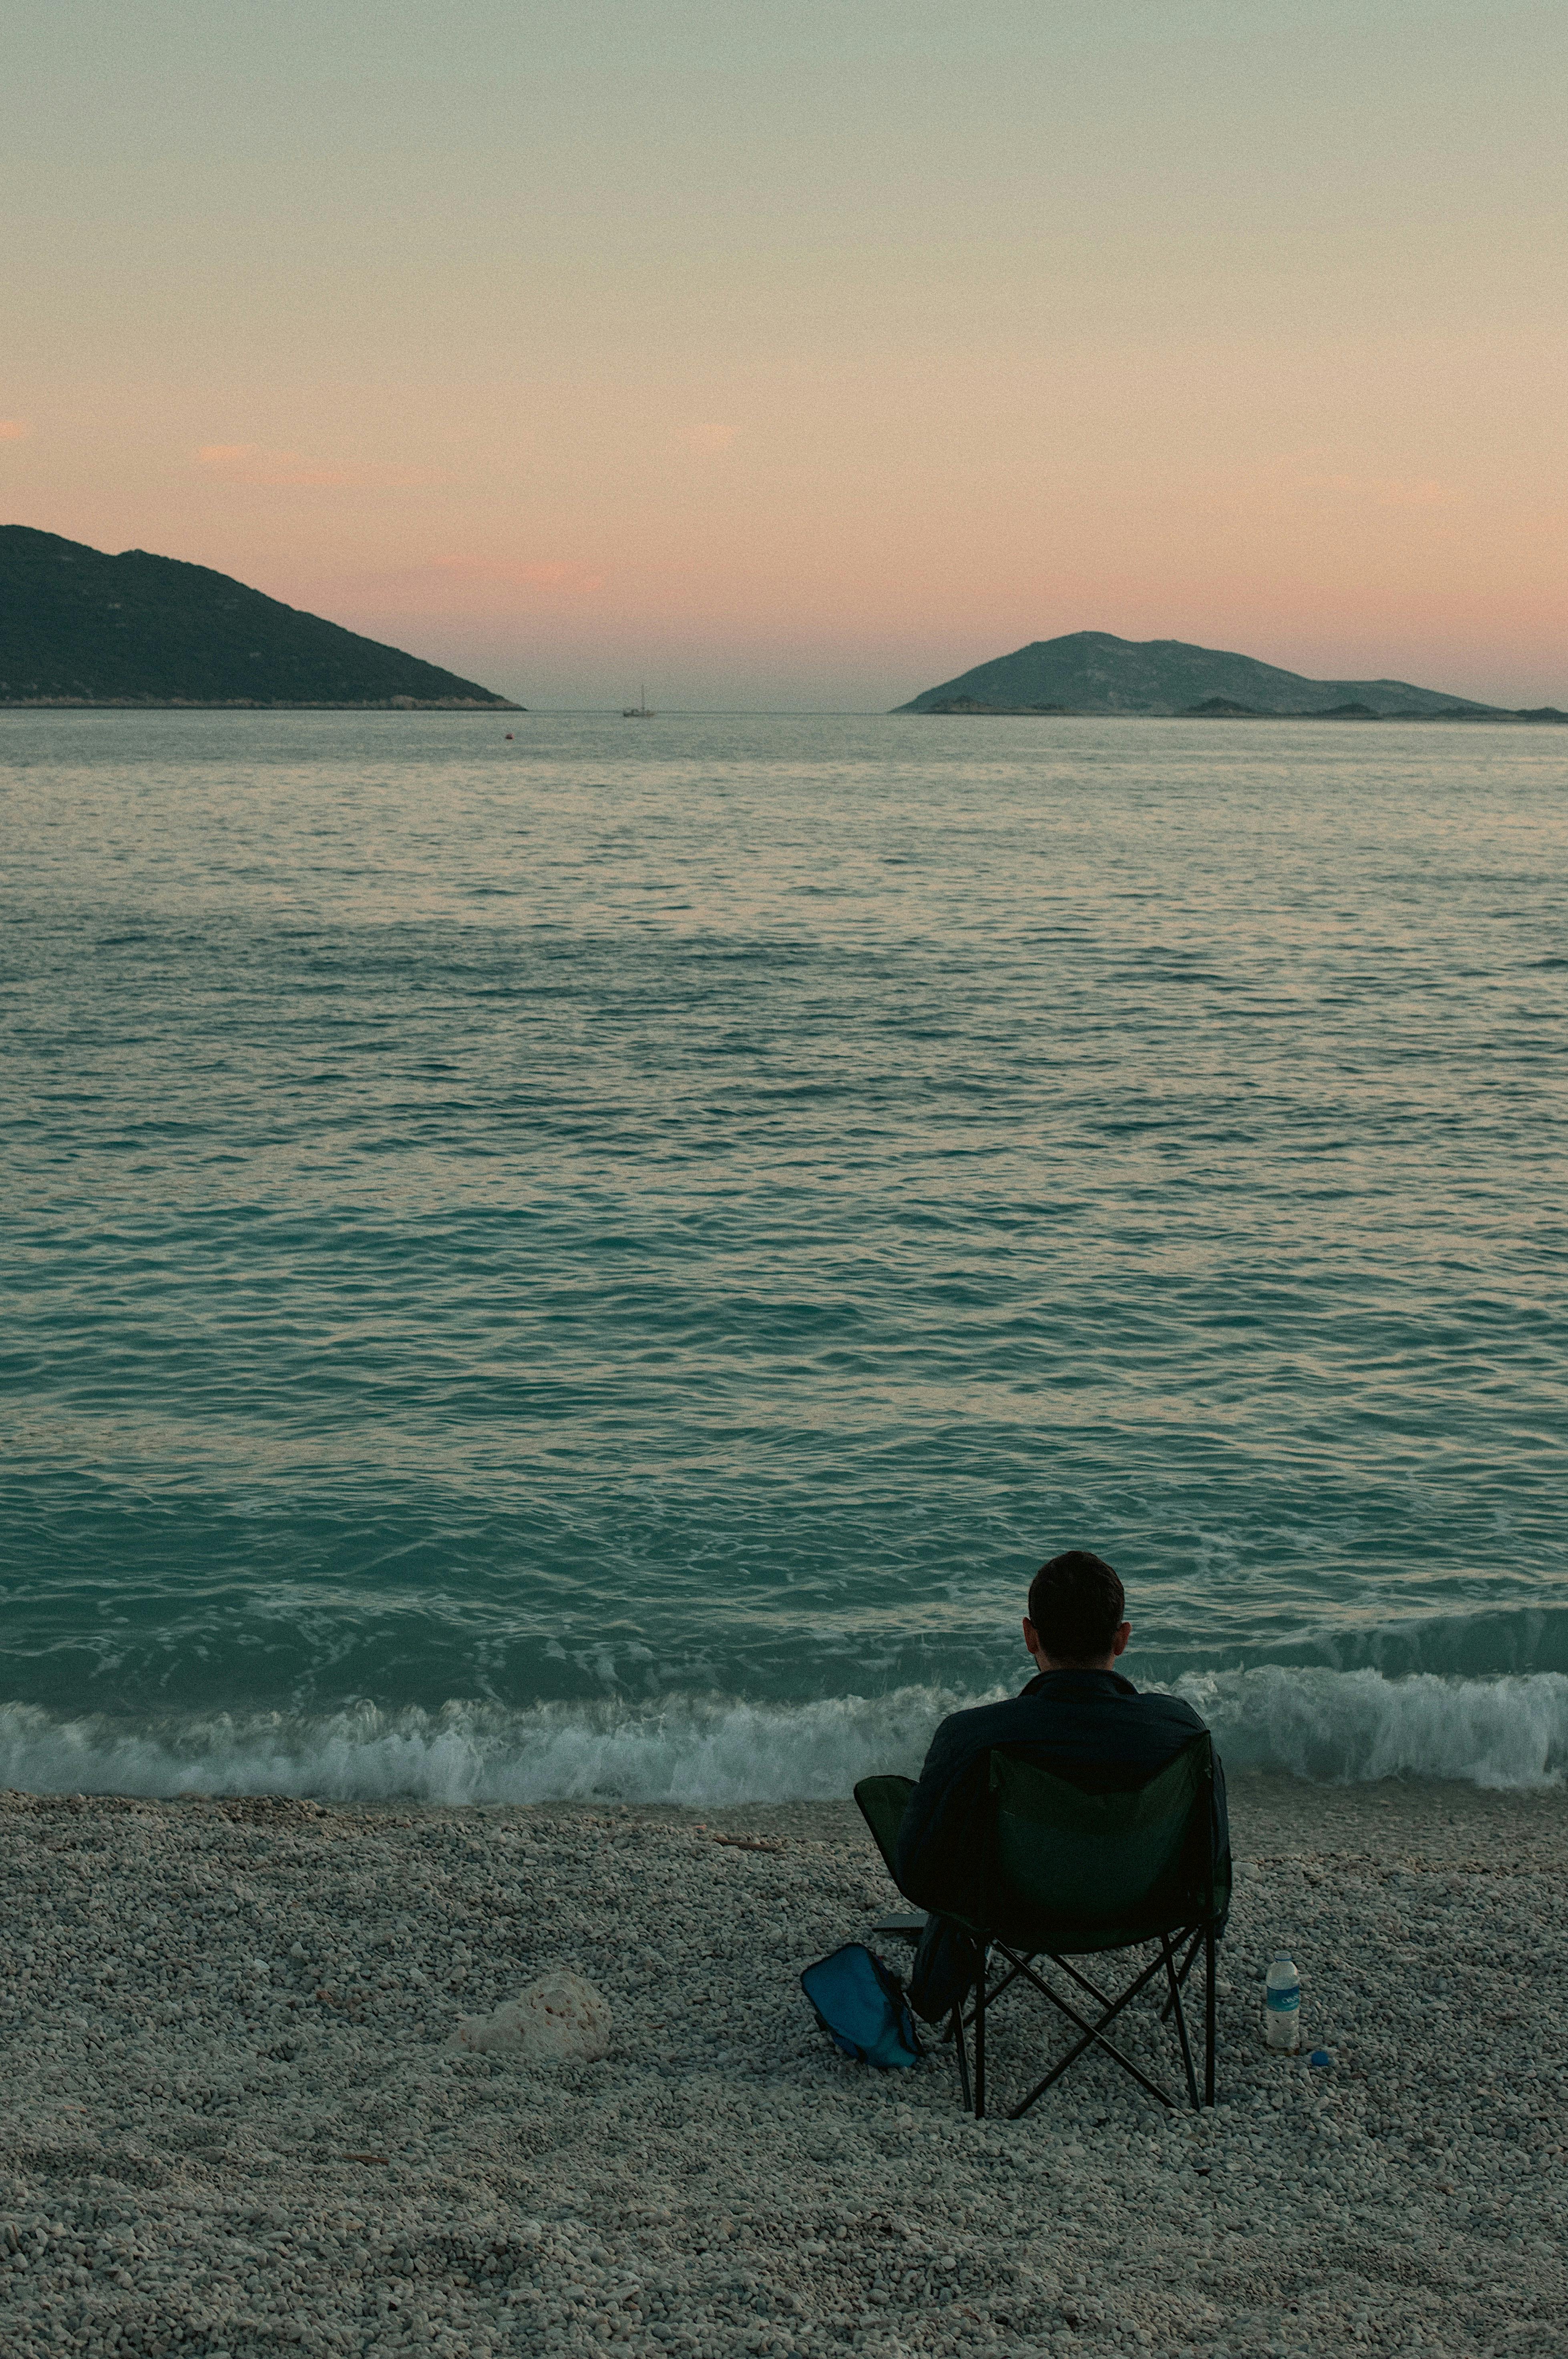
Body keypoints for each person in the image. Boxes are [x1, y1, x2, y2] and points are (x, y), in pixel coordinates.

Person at [894, 1548, 1230, 1925]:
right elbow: (1211, 1858)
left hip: (1012, 1915)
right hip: (1148, 1908)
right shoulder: (1182, 1731)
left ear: (1030, 1636)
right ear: (1122, 1638)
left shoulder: (970, 1736)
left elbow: (921, 1873)